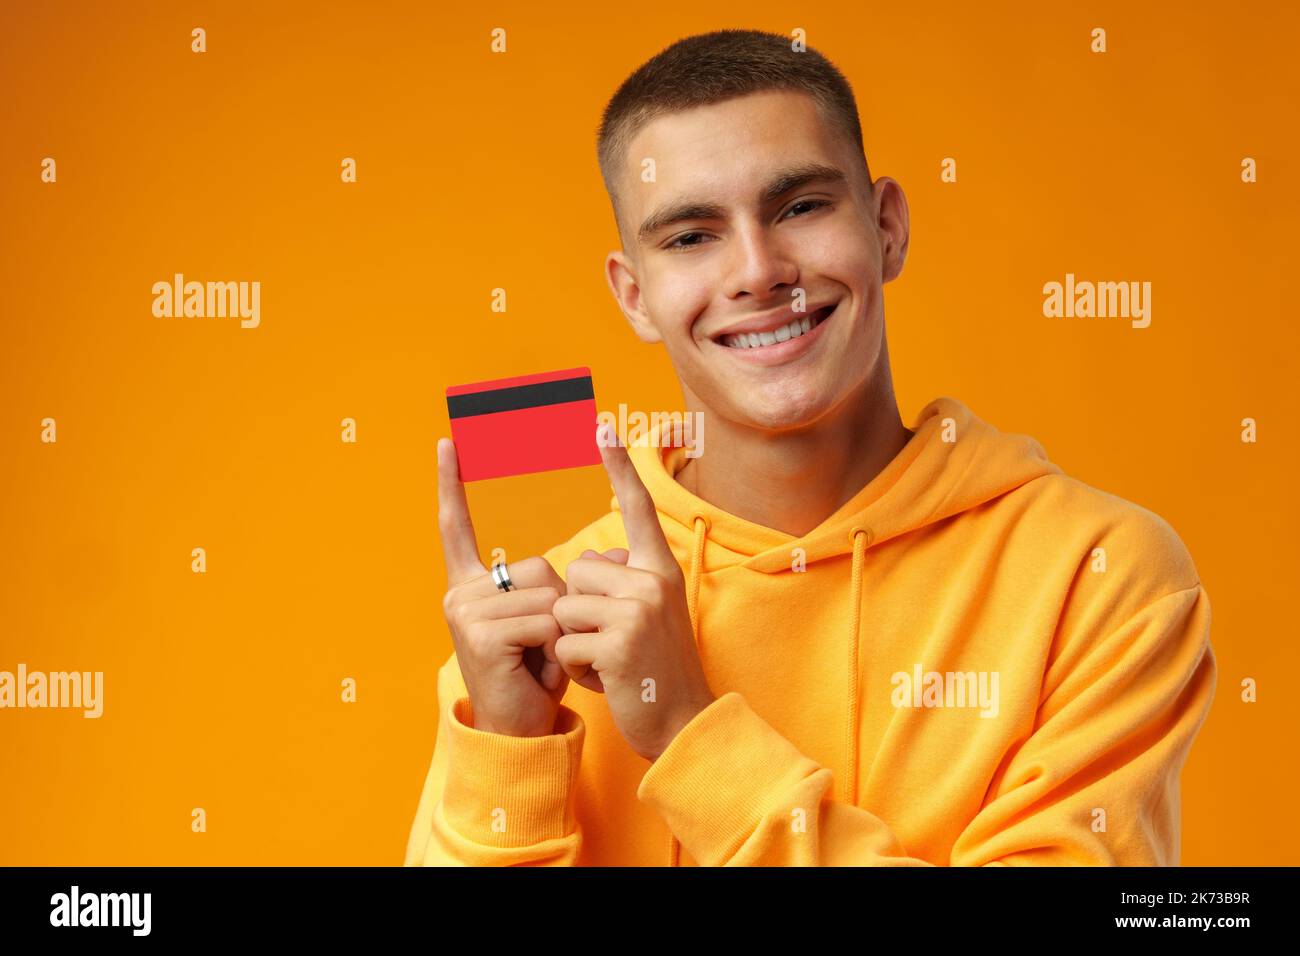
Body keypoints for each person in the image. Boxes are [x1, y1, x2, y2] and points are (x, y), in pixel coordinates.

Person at [404, 29, 1216, 866]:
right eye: (691, 236)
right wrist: (507, 752)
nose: (758, 271)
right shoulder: (549, 624)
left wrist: (688, 730)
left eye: (800, 207)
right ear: (636, 297)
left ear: (888, 227)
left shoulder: (1103, 575)